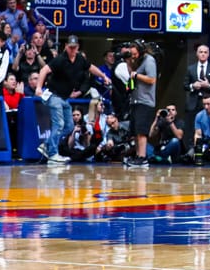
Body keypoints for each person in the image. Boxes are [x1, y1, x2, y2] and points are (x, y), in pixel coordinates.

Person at [35, 35, 113, 166]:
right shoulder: (60, 59)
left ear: (77, 47)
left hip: (65, 98)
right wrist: (38, 87)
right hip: (53, 95)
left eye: (74, 47)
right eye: (70, 47)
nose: (72, 50)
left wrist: (103, 76)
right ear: (66, 47)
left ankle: (46, 145)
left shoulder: (80, 59)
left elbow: (91, 67)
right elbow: (44, 70)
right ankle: (53, 155)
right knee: (59, 124)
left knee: (69, 126)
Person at [122, 40, 159, 169]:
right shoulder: (137, 61)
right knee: (136, 131)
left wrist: (137, 75)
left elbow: (152, 79)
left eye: (134, 53)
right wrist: (128, 61)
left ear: (141, 51)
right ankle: (138, 156)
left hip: (145, 101)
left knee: (142, 131)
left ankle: (143, 158)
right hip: (135, 100)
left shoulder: (149, 60)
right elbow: (131, 75)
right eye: (131, 54)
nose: (133, 56)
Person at [184, 44, 210, 142]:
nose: (203, 54)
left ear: (208, 54)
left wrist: (209, 86)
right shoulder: (190, 69)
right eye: (201, 52)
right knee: (192, 127)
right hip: (194, 102)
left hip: (208, 102)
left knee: (208, 127)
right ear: (197, 54)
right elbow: (185, 85)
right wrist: (193, 86)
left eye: (205, 52)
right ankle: (192, 150)